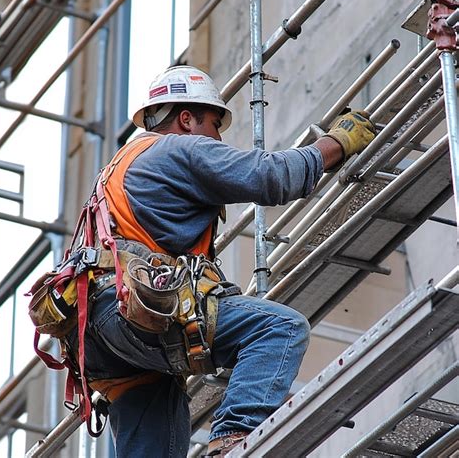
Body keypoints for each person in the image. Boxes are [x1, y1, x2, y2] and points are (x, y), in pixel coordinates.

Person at [65, 65, 376, 457]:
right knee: (279, 329)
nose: (217, 136)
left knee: (157, 408)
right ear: (186, 118)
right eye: (214, 124)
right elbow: (268, 176)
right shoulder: (179, 148)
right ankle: (233, 440)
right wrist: (335, 144)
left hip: (98, 336)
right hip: (133, 310)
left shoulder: (117, 169)